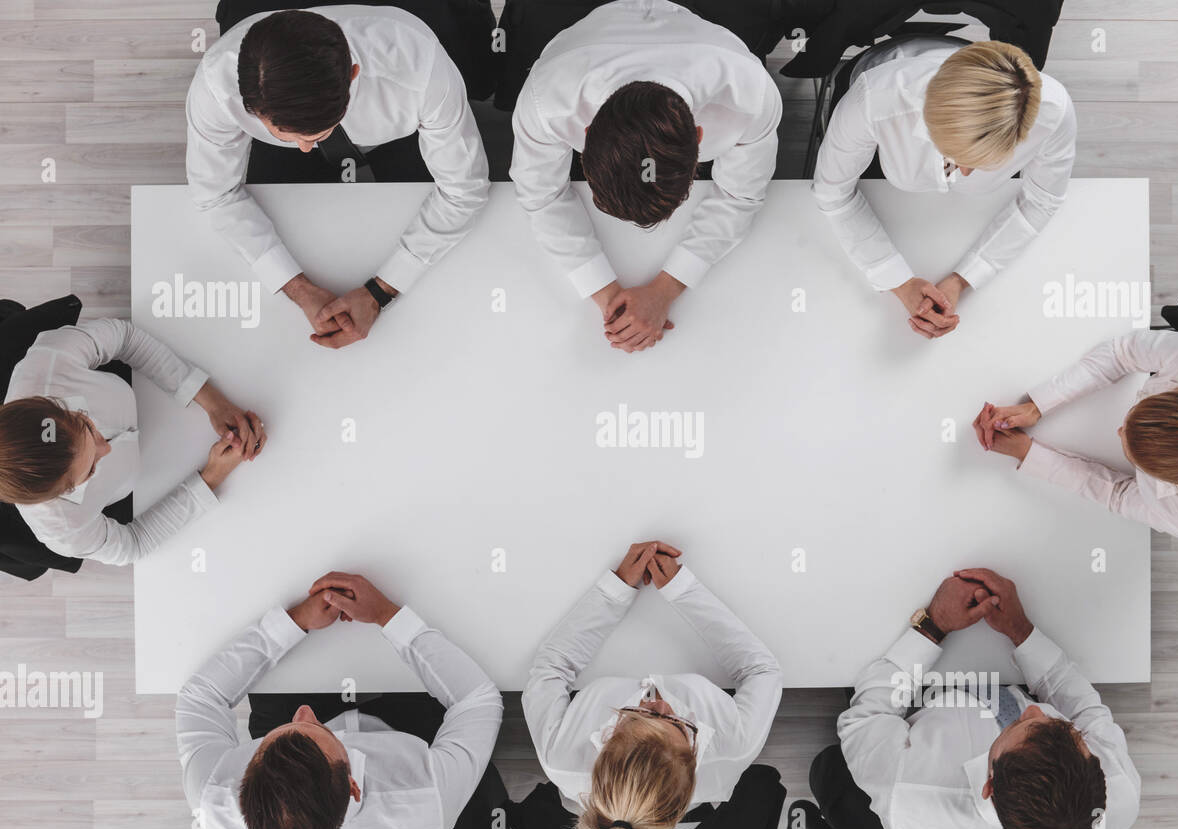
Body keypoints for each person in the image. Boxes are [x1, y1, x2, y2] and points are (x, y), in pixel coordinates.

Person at [789, 567, 1140, 829]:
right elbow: (1082, 708)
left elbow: (865, 718)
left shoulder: (907, 791)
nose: (1033, 709)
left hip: (927, 728)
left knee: (833, 766)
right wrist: (1020, 630)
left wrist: (934, 624)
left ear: (989, 783)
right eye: (1067, 730)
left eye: (1019, 724)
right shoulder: (1119, 794)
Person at [186, 6, 490, 349]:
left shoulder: (419, 68)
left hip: (396, 134)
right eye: (287, 135)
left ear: (353, 75)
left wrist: (381, 291)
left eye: (315, 134)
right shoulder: (217, 84)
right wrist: (296, 288)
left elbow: (464, 191)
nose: (304, 149)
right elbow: (214, 194)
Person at [176, 571, 513, 829]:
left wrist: (293, 622)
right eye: (316, 728)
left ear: (244, 778)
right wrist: (387, 615)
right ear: (354, 787)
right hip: (408, 728)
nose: (306, 712)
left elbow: (201, 697)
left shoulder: (213, 796)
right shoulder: (424, 797)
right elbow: (478, 700)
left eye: (270, 743)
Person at [509, 0, 782, 353]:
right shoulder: (546, 98)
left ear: (699, 137)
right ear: (588, 132)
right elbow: (539, 194)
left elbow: (741, 195)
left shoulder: (750, 94)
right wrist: (605, 294)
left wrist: (665, 290)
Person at [517, 540, 785, 829]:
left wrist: (613, 593)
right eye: (678, 723)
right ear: (693, 762)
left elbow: (550, 668)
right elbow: (762, 670)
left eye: (635, 716)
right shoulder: (736, 745)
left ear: (606, 741)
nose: (658, 704)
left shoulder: (560, 756)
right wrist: (683, 591)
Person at [812, 38, 1076, 339]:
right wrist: (898, 281)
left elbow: (1044, 199)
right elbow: (831, 192)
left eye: (985, 162)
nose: (964, 173)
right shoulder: (875, 100)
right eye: (956, 157)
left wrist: (962, 279)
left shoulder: (1054, 111)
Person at [0, 317, 262, 566]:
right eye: (91, 468)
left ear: (55, 406)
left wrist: (210, 399)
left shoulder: (51, 360)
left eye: (88, 425)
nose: (107, 448)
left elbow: (125, 338)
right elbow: (134, 544)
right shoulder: (64, 529)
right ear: (63, 492)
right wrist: (210, 479)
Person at [973, 328, 1178, 540]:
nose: (1118, 430)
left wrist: (1029, 454)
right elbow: (1121, 352)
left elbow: (1117, 495)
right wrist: (1037, 405)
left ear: (1168, 478)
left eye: (1130, 450)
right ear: (1176, 395)